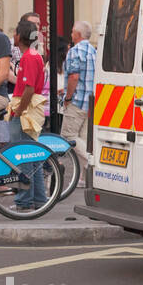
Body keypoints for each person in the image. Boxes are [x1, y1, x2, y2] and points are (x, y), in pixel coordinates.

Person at [5, 17, 48, 211]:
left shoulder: (29, 57)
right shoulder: (33, 55)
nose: (13, 35)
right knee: (32, 156)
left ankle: (24, 201)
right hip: (30, 109)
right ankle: (39, 198)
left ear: (20, 36)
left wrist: (19, 111)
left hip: (25, 111)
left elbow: (29, 89)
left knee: (21, 157)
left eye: (15, 32)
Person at [61, 20, 97, 174]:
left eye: (72, 31)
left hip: (77, 101)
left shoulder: (75, 51)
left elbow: (74, 77)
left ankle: (93, 164)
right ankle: (85, 177)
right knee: (83, 138)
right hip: (90, 101)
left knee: (68, 136)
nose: (71, 34)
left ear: (77, 34)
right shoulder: (94, 51)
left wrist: (68, 98)